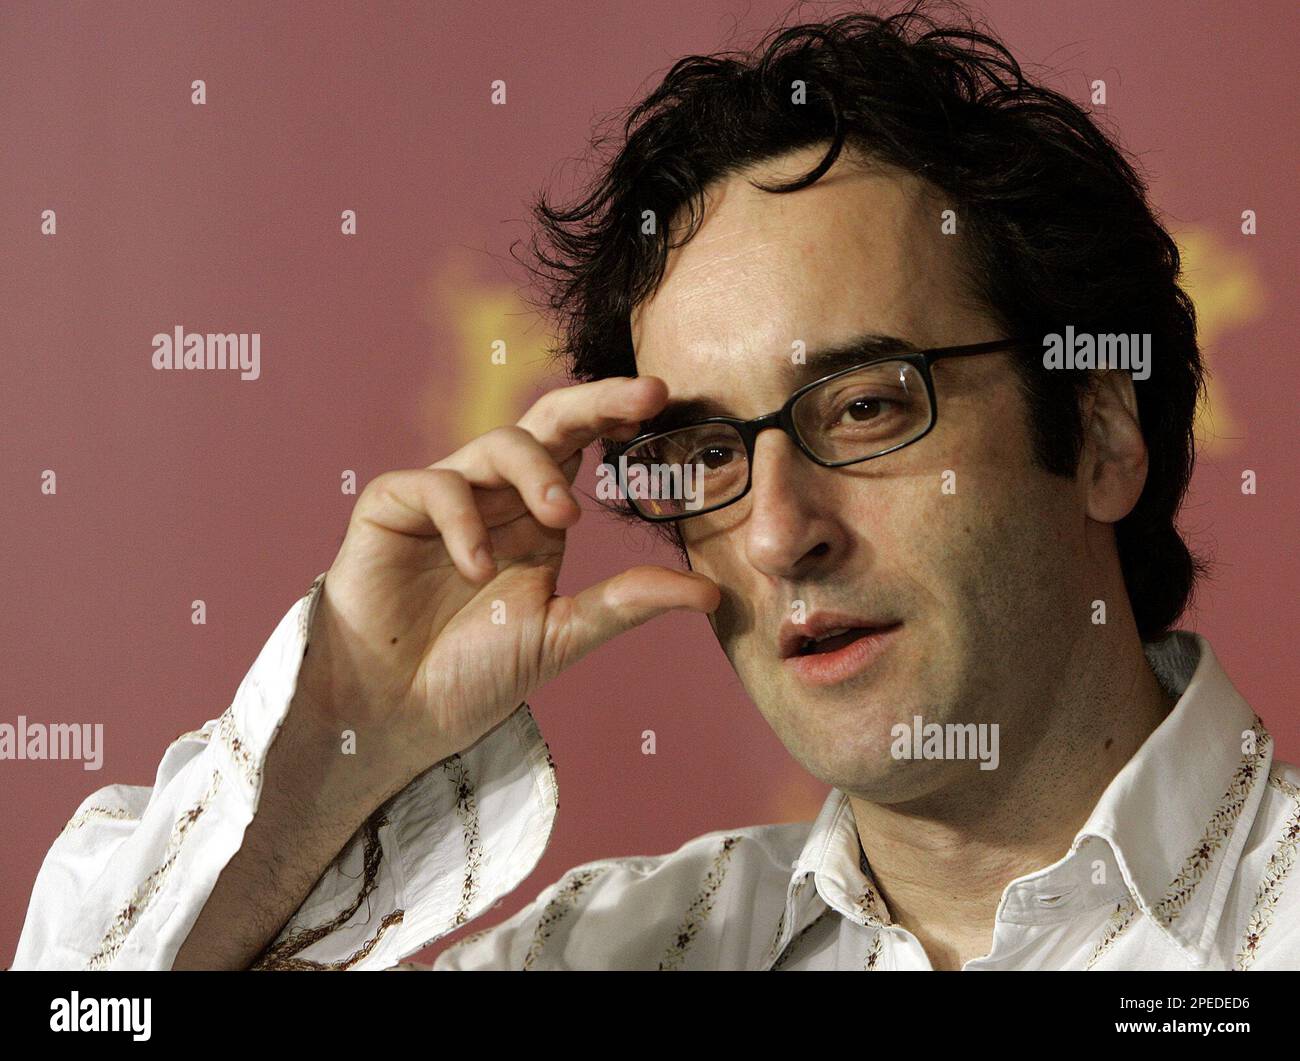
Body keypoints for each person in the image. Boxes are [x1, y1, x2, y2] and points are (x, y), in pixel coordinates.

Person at [13, 5, 1298, 972]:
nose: (781, 534)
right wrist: (333, 736)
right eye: (707, 457)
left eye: (863, 406)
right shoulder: (619, 948)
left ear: (1100, 430)